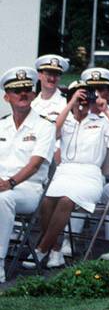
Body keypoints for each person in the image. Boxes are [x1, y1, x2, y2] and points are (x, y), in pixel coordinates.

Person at [36, 80, 109, 268]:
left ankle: (42, 248)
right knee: (46, 203)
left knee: (67, 200)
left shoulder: (99, 122)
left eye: (86, 99)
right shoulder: (65, 121)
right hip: (65, 172)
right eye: (79, 99)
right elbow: (52, 132)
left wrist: (106, 109)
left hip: (89, 175)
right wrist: (70, 105)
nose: (82, 104)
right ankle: (55, 251)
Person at [0, 68, 56, 284]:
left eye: (26, 90)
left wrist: (10, 182)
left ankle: (0, 264)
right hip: (3, 185)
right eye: (16, 91)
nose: (22, 94)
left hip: (28, 190)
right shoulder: (2, 125)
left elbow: (35, 165)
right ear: (7, 97)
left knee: (4, 199)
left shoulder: (44, 126)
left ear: (33, 95)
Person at [31, 54, 69, 126]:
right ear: (39, 75)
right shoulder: (32, 104)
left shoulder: (67, 103)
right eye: (49, 74)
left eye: (56, 74)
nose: (52, 78)